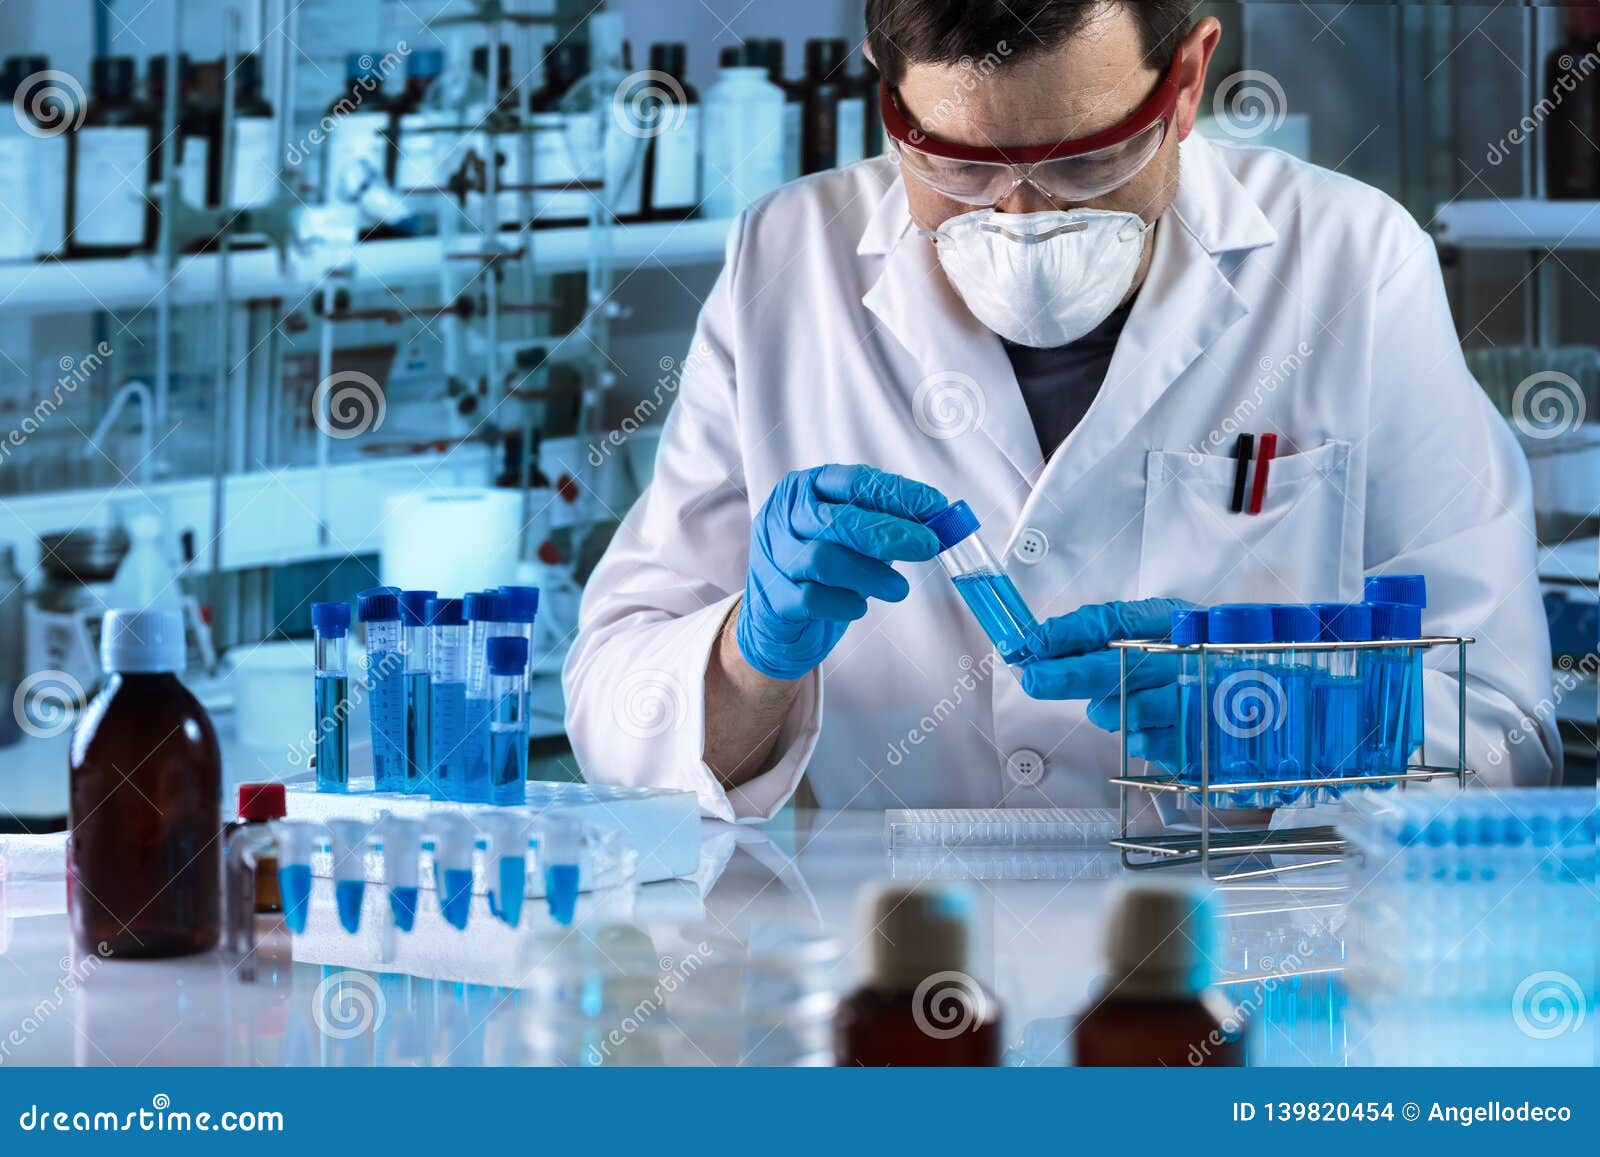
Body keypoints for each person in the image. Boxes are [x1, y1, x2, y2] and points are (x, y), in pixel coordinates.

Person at [564, 1, 1558, 821]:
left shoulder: (1348, 260)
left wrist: (1301, 727)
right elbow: (614, 717)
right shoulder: (783, 260)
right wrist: (749, 653)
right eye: (955, 165)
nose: (1021, 220)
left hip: (1236, 979)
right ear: (882, 82)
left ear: (1189, 76)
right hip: (876, 980)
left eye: (1087, 165)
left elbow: (1508, 731)